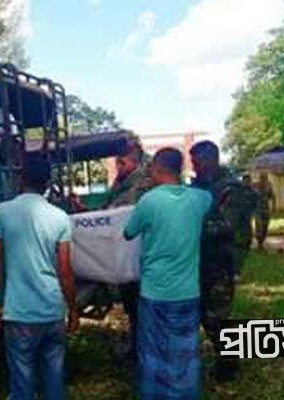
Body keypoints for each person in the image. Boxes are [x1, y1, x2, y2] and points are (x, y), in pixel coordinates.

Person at [0, 153, 79, 400]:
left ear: (20, 179)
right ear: (48, 183)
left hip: (19, 314)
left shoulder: (2, 213)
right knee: (54, 380)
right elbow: (66, 272)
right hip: (52, 311)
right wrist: (73, 310)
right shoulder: (60, 217)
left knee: (22, 383)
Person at [123, 147, 212, 399]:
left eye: (150, 167)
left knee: (153, 355)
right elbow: (209, 199)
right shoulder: (199, 199)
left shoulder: (149, 201)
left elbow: (128, 232)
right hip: (188, 292)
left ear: (158, 168)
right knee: (185, 353)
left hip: (154, 293)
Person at [190, 140, 247, 382]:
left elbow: (226, 227)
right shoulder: (200, 186)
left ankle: (229, 362)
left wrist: (188, 228)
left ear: (210, 160)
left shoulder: (230, 189)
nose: (194, 168)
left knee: (218, 315)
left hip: (221, 259)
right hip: (202, 259)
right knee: (204, 312)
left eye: (197, 163)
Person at [102, 140, 153, 365]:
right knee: (133, 307)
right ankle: (138, 349)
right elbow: (108, 209)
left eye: (121, 162)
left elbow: (125, 212)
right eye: (116, 162)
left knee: (142, 308)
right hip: (126, 254)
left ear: (133, 160)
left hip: (139, 256)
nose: (117, 166)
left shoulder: (142, 184)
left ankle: (145, 353)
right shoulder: (122, 182)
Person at [253, 173, 276, 248]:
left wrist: (274, 206)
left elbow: (272, 196)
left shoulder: (269, 185)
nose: (263, 179)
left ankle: (262, 240)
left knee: (265, 225)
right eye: (262, 177)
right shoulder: (255, 185)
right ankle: (259, 240)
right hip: (257, 208)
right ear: (259, 178)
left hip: (266, 208)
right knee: (259, 225)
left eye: (265, 178)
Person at [238, 174, 258, 258]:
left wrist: (254, 211)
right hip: (239, 213)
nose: (246, 183)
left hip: (248, 213)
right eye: (245, 181)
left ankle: (247, 244)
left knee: (248, 229)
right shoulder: (239, 191)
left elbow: (255, 203)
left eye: (248, 181)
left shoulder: (253, 192)